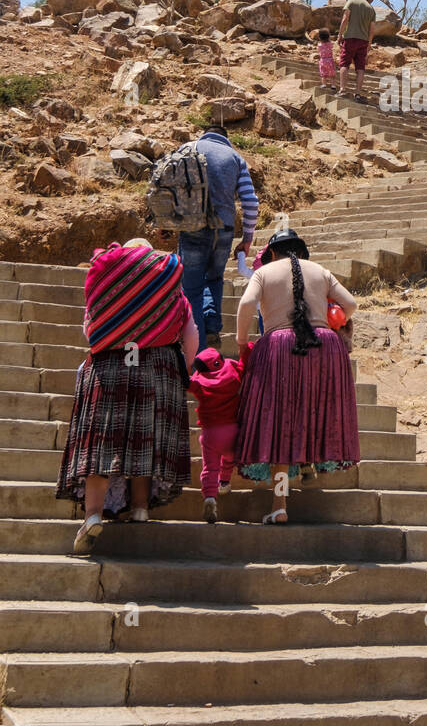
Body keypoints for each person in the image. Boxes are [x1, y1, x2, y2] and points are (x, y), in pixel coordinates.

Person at [56, 238, 198, 554]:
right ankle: (139, 507)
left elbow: (89, 328)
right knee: (143, 438)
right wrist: (183, 371)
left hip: (109, 364)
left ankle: (93, 515)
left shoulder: (107, 284)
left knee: (102, 440)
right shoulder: (171, 290)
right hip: (158, 367)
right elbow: (191, 334)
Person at [235, 229, 360, 523]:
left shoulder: (264, 273)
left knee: (279, 428)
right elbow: (351, 305)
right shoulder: (320, 271)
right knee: (312, 412)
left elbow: (244, 304)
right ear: (301, 251)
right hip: (324, 347)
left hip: (278, 347)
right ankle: (307, 462)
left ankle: (280, 505)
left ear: (273, 253)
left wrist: (242, 342)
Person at [179, 126, 259, 351]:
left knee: (192, 288)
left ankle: (199, 350)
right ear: (226, 139)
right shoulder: (235, 157)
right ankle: (212, 325)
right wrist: (247, 237)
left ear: (204, 134)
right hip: (223, 229)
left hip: (192, 226)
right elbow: (251, 202)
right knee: (214, 278)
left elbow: (166, 186)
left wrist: (165, 224)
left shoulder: (188, 148)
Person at [190, 346, 245, 523]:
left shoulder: (199, 384)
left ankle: (210, 497)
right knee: (229, 458)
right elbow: (244, 365)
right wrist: (247, 348)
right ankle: (225, 482)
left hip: (210, 434)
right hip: (233, 430)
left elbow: (186, 382)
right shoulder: (232, 374)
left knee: (210, 467)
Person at [337, 0, 376, 101]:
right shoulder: (371, 9)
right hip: (363, 41)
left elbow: (345, 19)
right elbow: (372, 29)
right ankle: (358, 93)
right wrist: (369, 42)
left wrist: (340, 34)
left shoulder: (351, 1)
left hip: (350, 37)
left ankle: (343, 90)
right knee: (360, 67)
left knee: (344, 63)